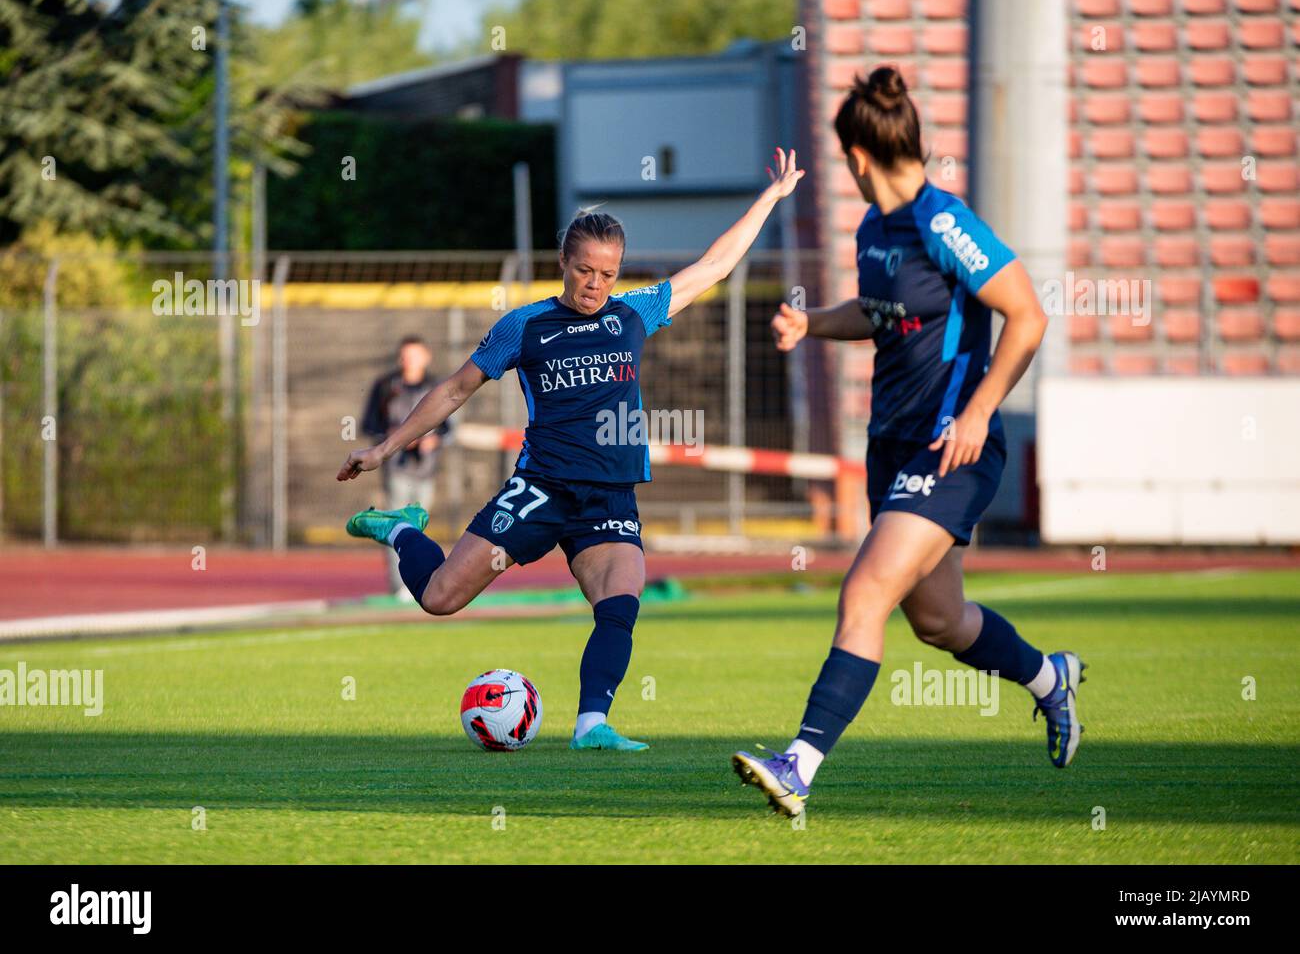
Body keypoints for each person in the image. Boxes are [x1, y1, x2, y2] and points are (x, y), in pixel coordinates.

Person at [337, 149, 805, 751]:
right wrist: (384, 448)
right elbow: (454, 388)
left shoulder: (634, 314)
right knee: (439, 598)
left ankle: (591, 726)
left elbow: (714, 266)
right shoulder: (524, 326)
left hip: (608, 495)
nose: (595, 284)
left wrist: (769, 198)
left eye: (608, 273)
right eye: (585, 270)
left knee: (620, 599)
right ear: (563, 262)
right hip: (542, 490)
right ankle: (402, 530)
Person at [732, 67, 1084, 817]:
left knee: (864, 592)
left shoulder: (942, 220)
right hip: (890, 445)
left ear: (857, 157)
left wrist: (982, 410)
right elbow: (881, 310)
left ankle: (798, 764)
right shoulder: (874, 230)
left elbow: (1025, 314)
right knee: (939, 620)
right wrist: (812, 323)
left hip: (949, 446)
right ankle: (1051, 678)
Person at [360, 336, 452, 598]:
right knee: (399, 526)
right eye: (405, 356)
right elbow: (370, 425)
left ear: (426, 357)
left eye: (414, 355)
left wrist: (432, 440)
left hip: (426, 470)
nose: (409, 361)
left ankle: (419, 581)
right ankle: (399, 586)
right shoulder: (386, 386)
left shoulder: (438, 387)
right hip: (396, 470)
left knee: (418, 526)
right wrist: (392, 438)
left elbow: (448, 428)